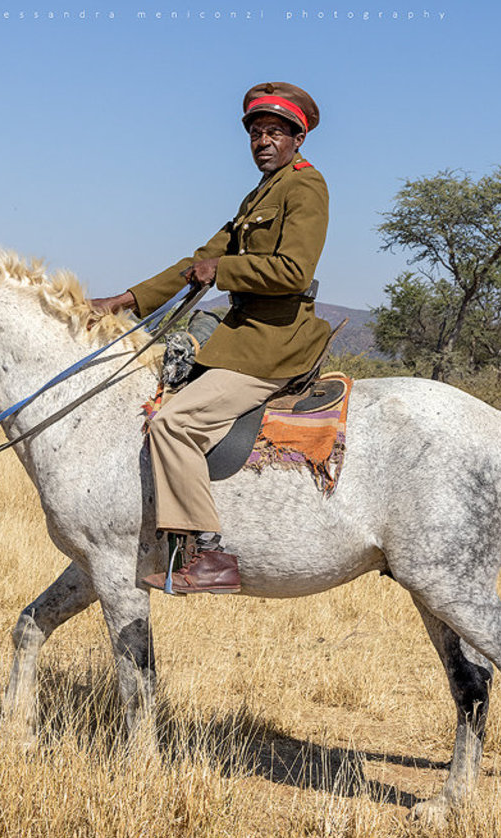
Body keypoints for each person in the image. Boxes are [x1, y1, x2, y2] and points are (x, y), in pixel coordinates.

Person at [90, 81, 331, 594]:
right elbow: (192, 263)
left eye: (274, 132)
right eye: (255, 132)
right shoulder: (256, 197)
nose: (262, 141)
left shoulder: (306, 188)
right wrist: (124, 301)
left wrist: (222, 268)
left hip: (275, 342)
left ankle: (210, 555)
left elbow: (292, 269)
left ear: (297, 138)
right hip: (242, 334)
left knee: (173, 424)